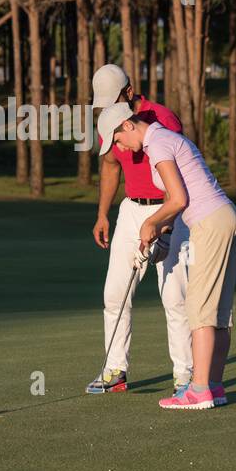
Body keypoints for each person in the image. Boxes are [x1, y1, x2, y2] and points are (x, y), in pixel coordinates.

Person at [97, 102, 236, 410]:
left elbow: (178, 199)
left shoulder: (158, 144)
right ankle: (214, 386)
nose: (119, 149)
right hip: (225, 217)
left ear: (127, 125)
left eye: (118, 141)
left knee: (199, 307)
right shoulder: (164, 139)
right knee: (218, 310)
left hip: (209, 223)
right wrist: (162, 235)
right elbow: (180, 202)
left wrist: (151, 223)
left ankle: (199, 389)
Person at [86, 64, 192, 397]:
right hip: (131, 210)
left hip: (169, 208)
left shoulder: (163, 119)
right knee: (114, 293)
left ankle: (186, 376)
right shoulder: (109, 123)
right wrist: (102, 214)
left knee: (175, 296)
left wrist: (167, 223)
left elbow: (182, 172)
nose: (107, 108)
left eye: (112, 99)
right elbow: (110, 165)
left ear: (130, 93)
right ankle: (114, 370)